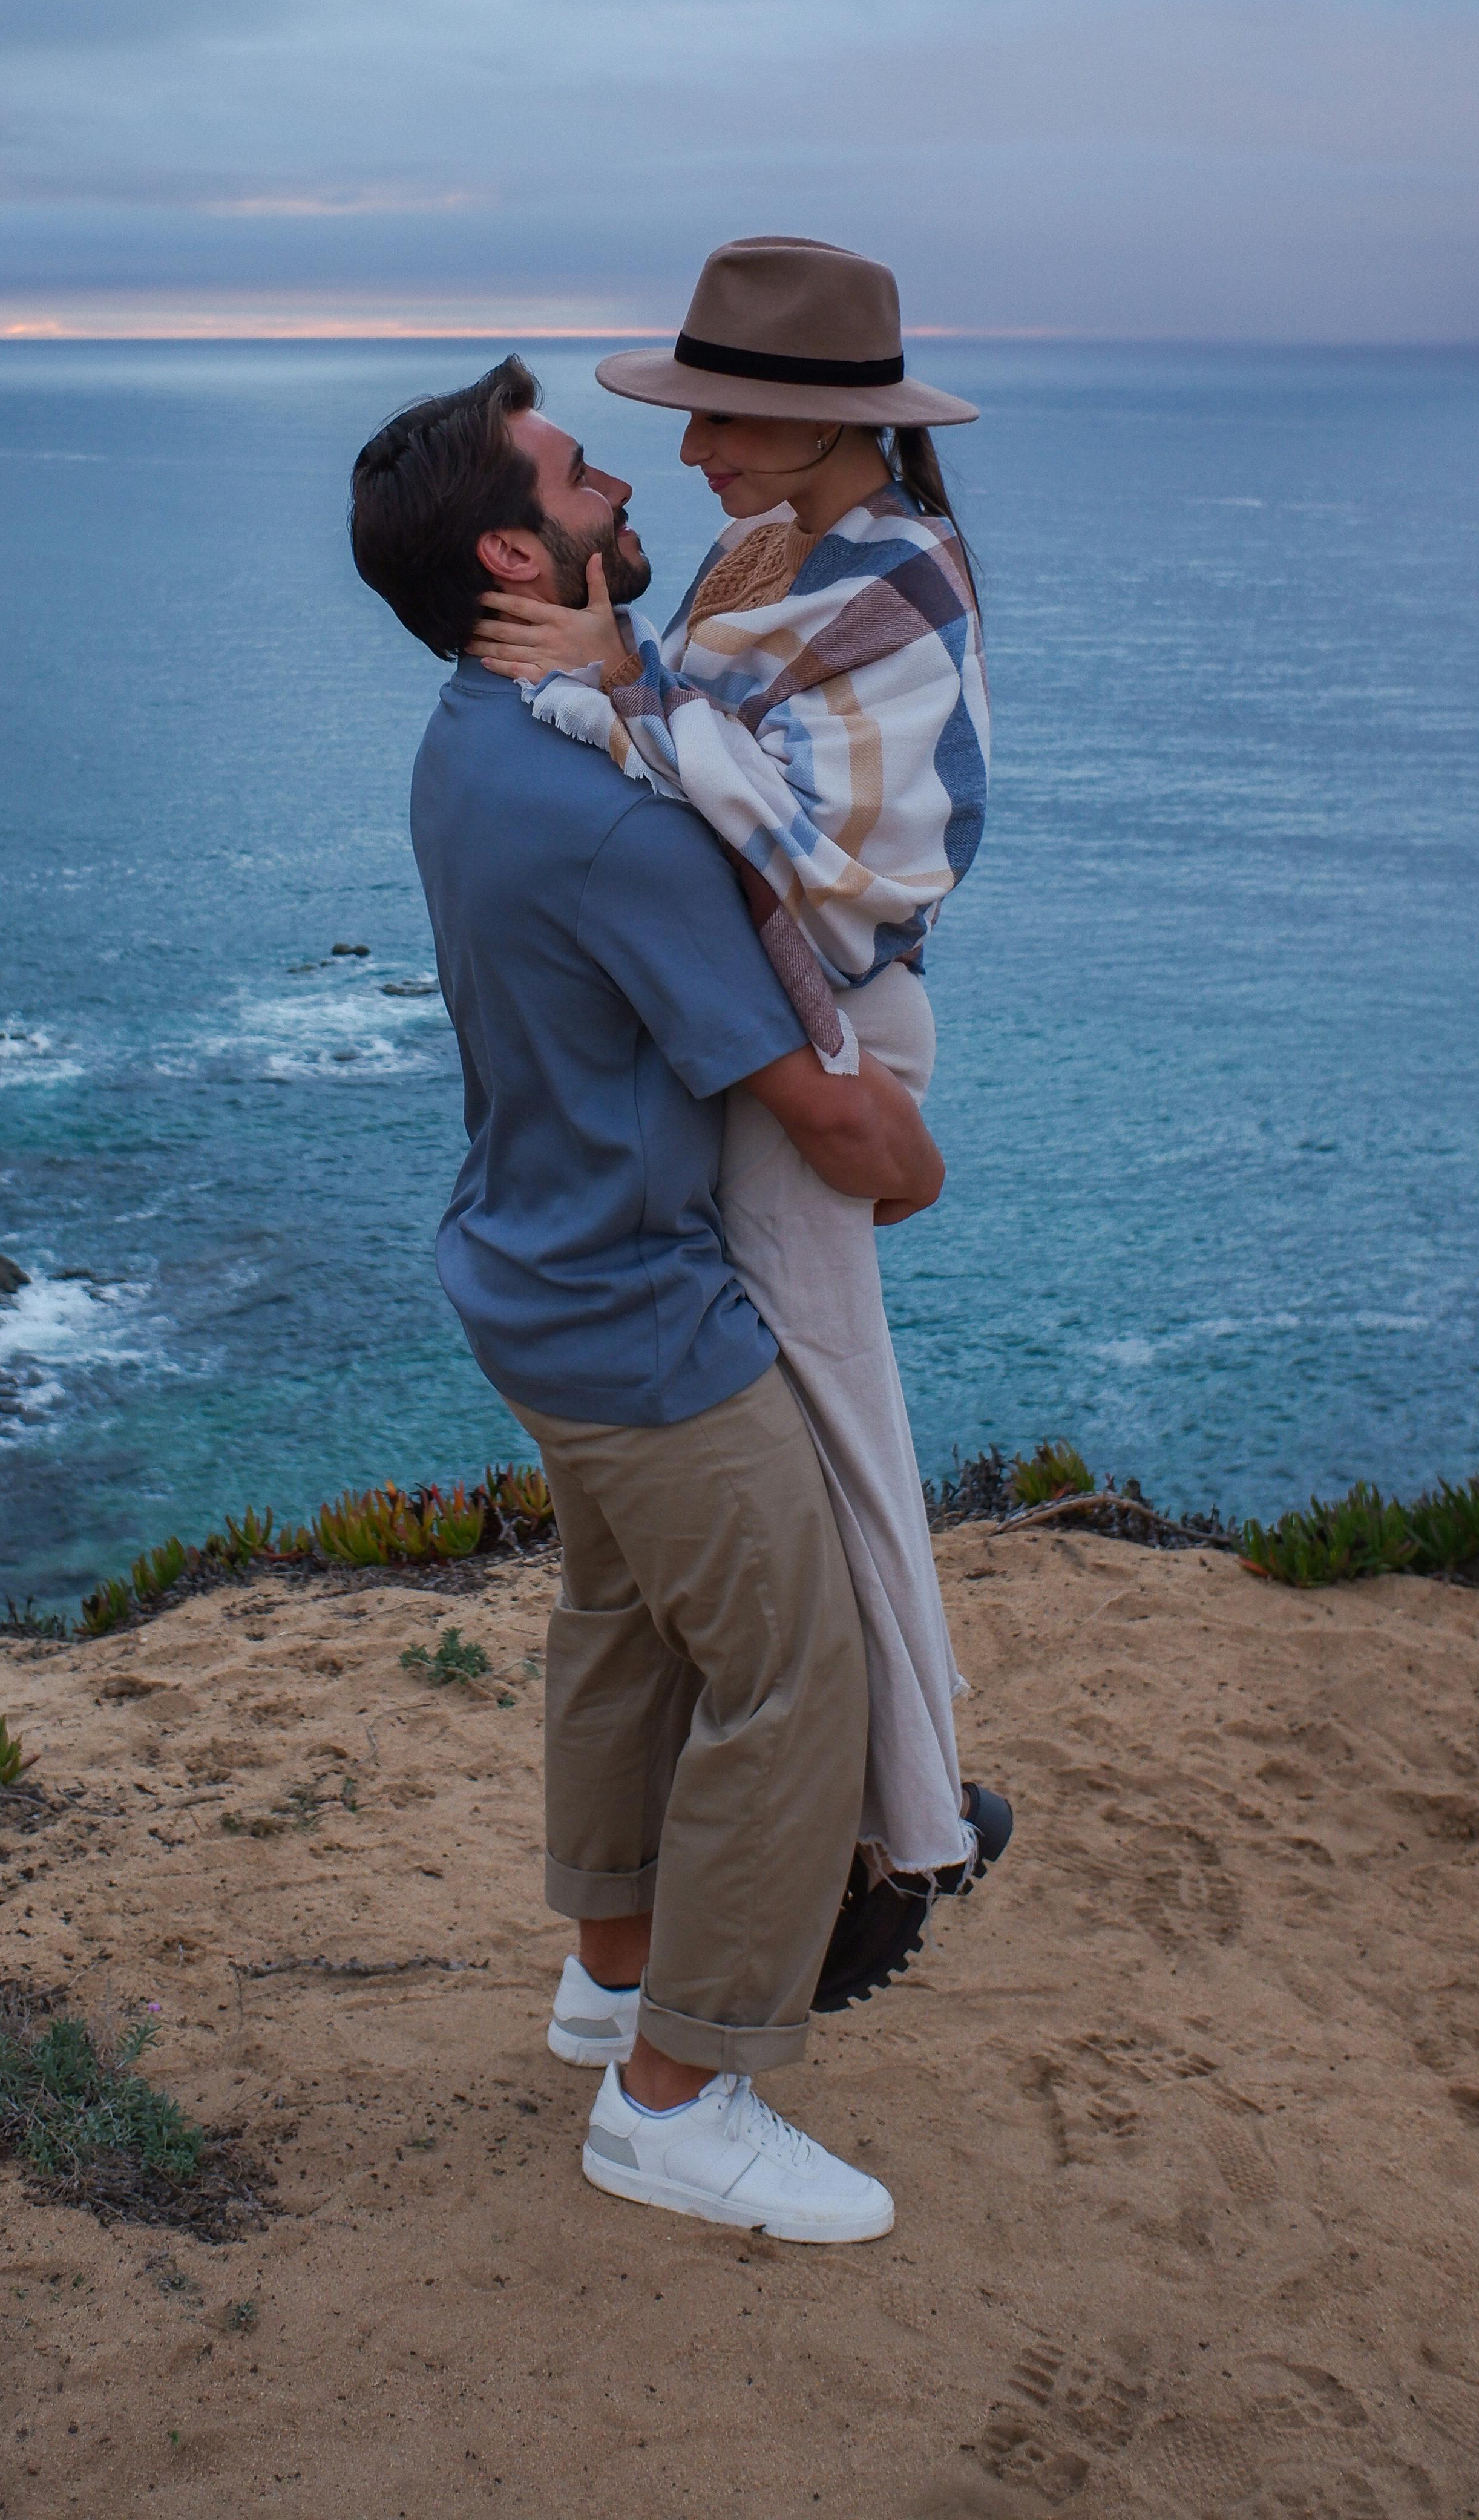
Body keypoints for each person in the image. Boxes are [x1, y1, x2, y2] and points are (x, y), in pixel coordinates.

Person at [350, 356, 958, 2243]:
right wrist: (918, 1157)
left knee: (620, 1633)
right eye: (584, 471)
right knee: (793, 1674)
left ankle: (609, 1976)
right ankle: (682, 2095)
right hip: (646, 1323)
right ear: (521, 546)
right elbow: (824, 1124)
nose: (632, 485)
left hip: (523, 1280)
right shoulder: (610, 817)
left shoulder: (474, 736)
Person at [472, 237, 1003, 1915]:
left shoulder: (890, 575)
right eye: (694, 418)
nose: (694, 456)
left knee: (840, 1443)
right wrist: (631, 696)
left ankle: (900, 1831)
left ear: (829, 424)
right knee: (805, 1467)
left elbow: (812, 857)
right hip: (797, 1025)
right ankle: (881, 1822)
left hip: (831, 1019)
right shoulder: (781, 544)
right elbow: (704, 774)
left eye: (727, 423)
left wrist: (617, 694)